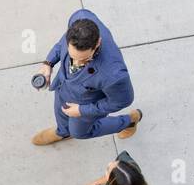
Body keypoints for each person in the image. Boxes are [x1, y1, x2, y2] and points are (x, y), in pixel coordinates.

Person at [32, 9, 143, 145]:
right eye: (73, 56)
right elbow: (61, 43)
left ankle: (129, 121)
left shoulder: (114, 74)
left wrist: (82, 110)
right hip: (63, 87)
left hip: (85, 102)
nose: (77, 64)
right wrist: (48, 63)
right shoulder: (80, 18)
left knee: (80, 133)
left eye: (84, 59)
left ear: (97, 43)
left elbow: (123, 100)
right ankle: (63, 132)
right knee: (60, 114)